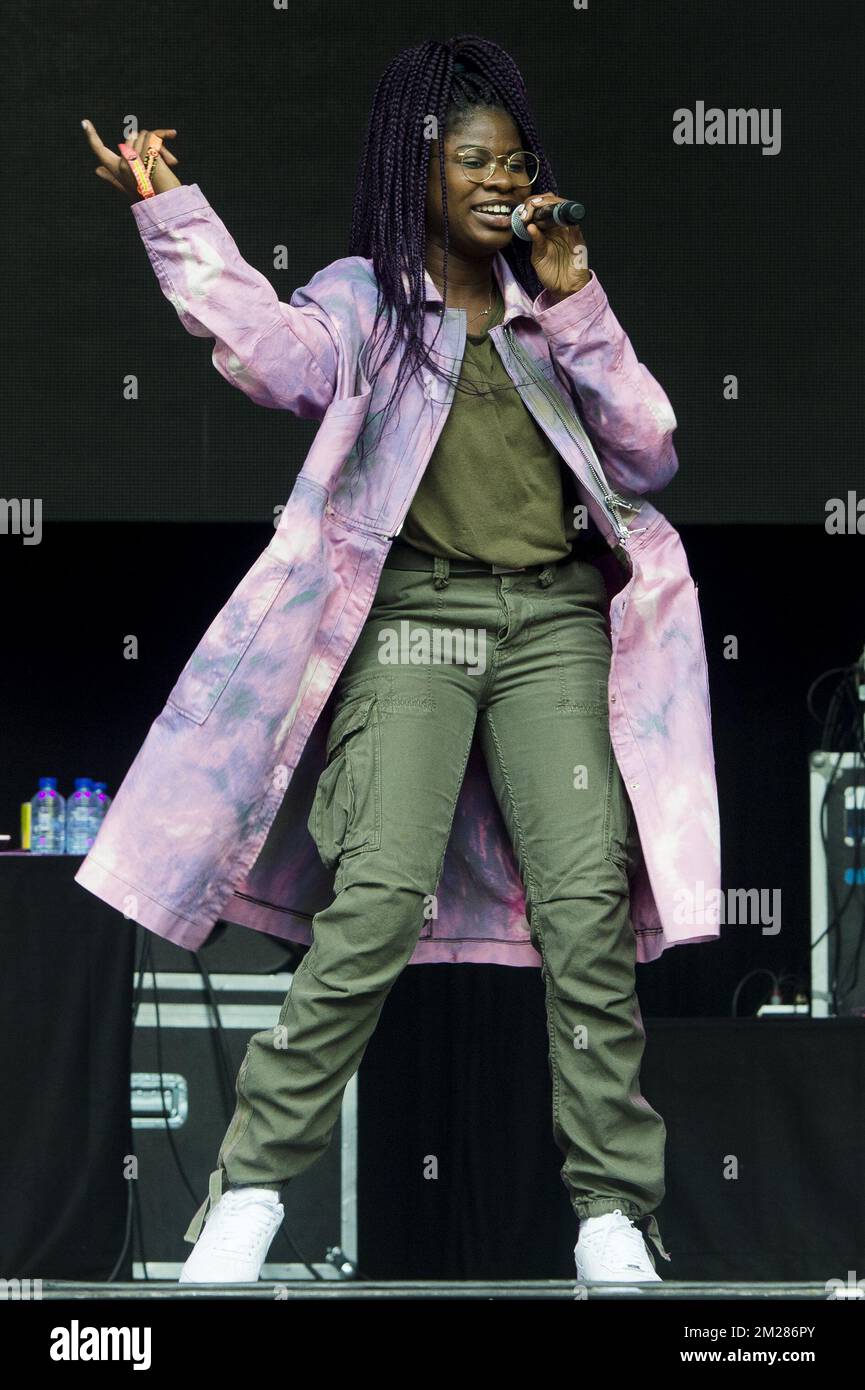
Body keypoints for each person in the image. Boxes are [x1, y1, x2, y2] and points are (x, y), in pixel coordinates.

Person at [83, 34, 676, 1285]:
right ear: (419, 174)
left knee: (583, 911)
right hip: (414, 621)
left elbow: (650, 451)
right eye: (470, 160)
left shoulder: (546, 306)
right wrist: (170, 214)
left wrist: (577, 299)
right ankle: (246, 1193)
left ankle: (613, 1211)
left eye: (513, 161)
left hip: (552, 630)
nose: (498, 181)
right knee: (378, 900)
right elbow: (270, 353)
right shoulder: (366, 299)